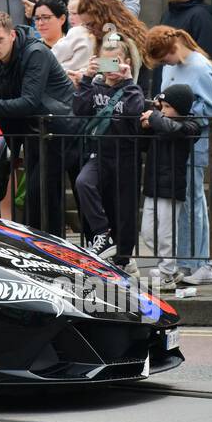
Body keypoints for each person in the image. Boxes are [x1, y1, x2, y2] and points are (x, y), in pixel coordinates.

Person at [0, 10, 75, 231]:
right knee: (37, 199)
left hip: (59, 129)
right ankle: (44, 252)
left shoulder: (35, 52)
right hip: (29, 133)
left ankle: (55, 254)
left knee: (42, 197)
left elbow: (29, 102)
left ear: (12, 35)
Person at [145, 25, 212, 286]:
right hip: (171, 146)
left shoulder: (200, 68)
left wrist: (178, 118)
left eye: (165, 58)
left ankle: (201, 264)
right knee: (183, 206)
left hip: (192, 144)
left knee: (193, 203)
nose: (165, 64)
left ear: (173, 48)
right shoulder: (171, 67)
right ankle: (184, 262)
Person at [73, 32, 146, 268]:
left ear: (126, 62)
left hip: (125, 156)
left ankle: (124, 256)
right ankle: (102, 234)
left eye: (116, 62)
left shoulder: (131, 88)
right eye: (106, 63)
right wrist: (86, 78)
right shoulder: (95, 86)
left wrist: (127, 81)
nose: (111, 69)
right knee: (84, 183)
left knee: (123, 208)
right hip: (99, 153)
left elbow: (135, 110)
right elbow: (80, 109)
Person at [139, 84, 202, 289]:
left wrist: (154, 116)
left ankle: (166, 272)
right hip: (152, 185)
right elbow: (143, 142)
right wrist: (145, 124)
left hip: (171, 187)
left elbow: (174, 129)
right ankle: (170, 267)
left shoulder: (191, 125)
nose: (163, 110)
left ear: (181, 108)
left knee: (166, 233)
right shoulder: (161, 123)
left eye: (167, 106)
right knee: (148, 233)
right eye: (161, 106)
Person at [72, 0, 150, 90]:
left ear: (103, 17)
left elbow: (114, 78)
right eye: (87, 26)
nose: (91, 30)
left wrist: (85, 78)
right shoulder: (105, 38)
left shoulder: (122, 41)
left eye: (92, 24)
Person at [32, 0, 92, 73]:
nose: (40, 23)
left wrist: (85, 75)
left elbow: (110, 66)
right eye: (37, 18)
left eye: (46, 17)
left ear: (62, 19)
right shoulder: (31, 49)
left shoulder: (94, 36)